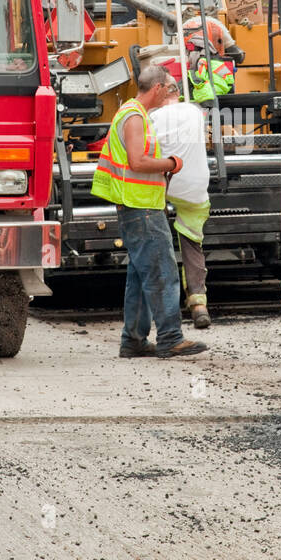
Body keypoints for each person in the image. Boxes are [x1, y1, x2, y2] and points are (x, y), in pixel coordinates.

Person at [91, 64, 208, 359]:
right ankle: (170, 338)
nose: (170, 93)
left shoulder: (135, 114)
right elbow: (138, 162)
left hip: (140, 206)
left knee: (141, 276)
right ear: (157, 88)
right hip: (141, 208)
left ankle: (133, 340)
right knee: (162, 273)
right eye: (169, 88)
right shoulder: (134, 118)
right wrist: (172, 163)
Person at [150, 82, 212, 328]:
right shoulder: (195, 112)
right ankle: (199, 304)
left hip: (165, 185)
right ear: (178, 94)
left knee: (159, 241)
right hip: (196, 189)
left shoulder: (153, 117)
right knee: (191, 242)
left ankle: (165, 309)